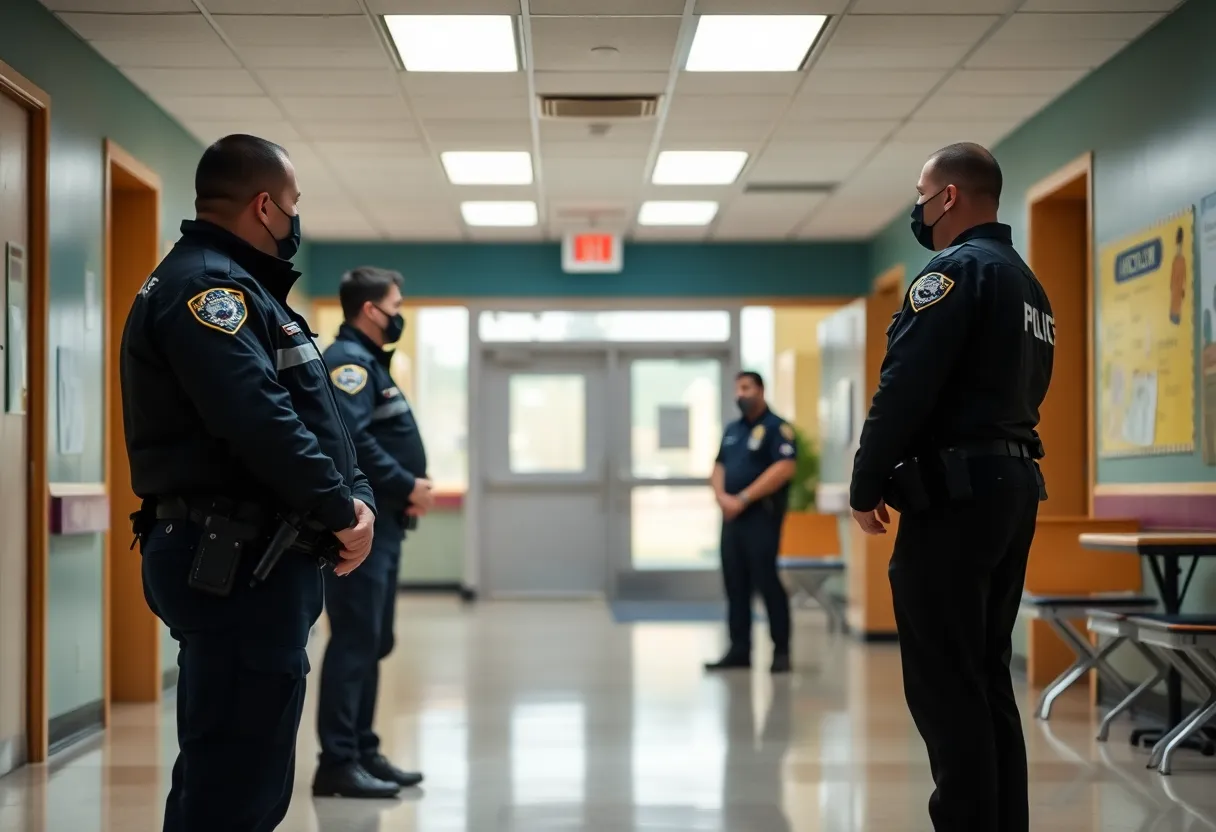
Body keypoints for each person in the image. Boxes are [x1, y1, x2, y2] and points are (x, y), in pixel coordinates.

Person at [121, 134, 377, 832]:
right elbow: (259, 419)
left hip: (254, 560)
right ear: (265, 206)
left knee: (250, 772)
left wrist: (355, 497)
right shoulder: (210, 291)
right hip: (234, 561)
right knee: (233, 782)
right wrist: (338, 509)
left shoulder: (247, 290)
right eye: (293, 204)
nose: (295, 219)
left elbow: (317, 416)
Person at [849, 142, 1053, 832]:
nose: (918, 206)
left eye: (921, 193)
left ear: (950, 197)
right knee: (986, 675)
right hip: (1012, 485)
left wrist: (865, 483)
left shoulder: (954, 272)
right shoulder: (1026, 283)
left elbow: (904, 386)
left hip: (958, 495)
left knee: (946, 684)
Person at [314, 267, 434, 797]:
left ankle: (364, 749)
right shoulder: (349, 364)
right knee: (355, 640)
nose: (399, 315)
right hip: (364, 528)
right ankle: (337, 763)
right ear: (370, 310)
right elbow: (353, 441)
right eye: (396, 305)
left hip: (385, 526)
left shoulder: (370, 362)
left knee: (373, 640)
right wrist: (407, 483)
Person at [705, 371, 797, 675]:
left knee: (766, 582)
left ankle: (781, 651)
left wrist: (743, 498)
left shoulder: (776, 428)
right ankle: (739, 650)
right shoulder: (733, 430)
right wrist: (722, 498)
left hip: (760, 517)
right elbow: (718, 466)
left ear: (760, 390)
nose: (740, 394)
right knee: (735, 582)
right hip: (732, 519)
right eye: (737, 389)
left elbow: (784, 467)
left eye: (746, 388)